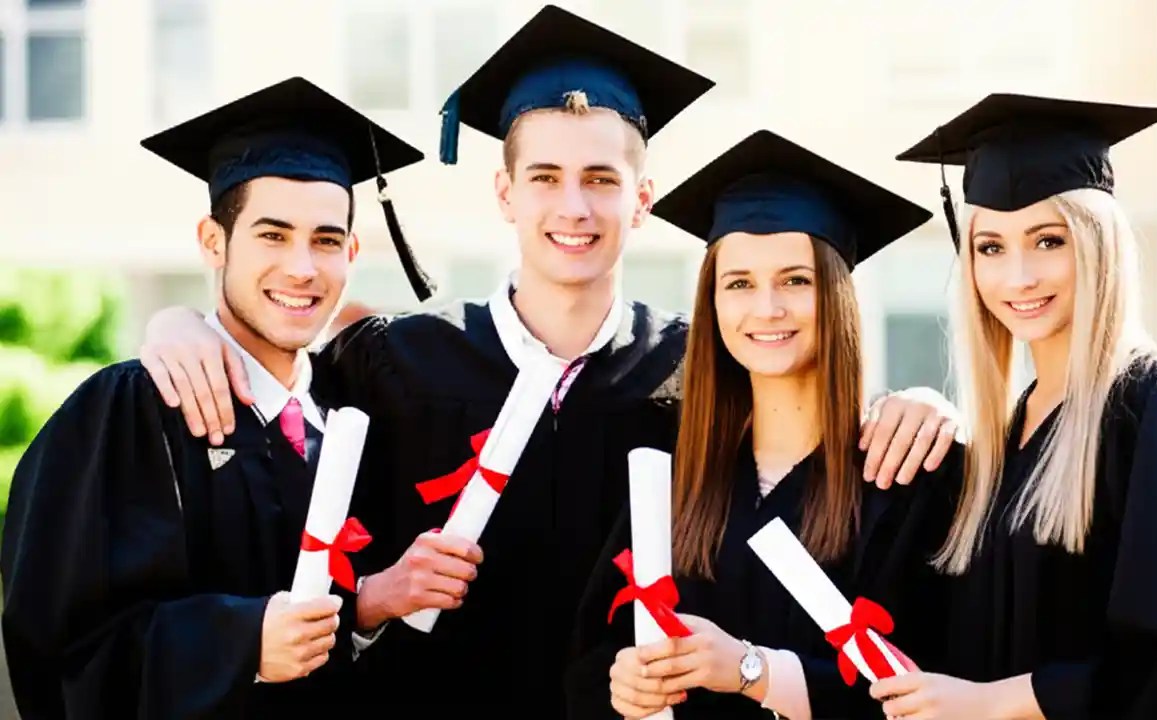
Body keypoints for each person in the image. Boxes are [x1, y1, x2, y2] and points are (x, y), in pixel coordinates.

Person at [137, 7, 959, 713]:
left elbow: (805, 416)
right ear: (506, 194)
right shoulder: (396, 363)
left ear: (641, 201)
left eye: (601, 179)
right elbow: (280, 429)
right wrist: (185, 325)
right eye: (545, 177)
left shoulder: (698, 371)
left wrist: (920, 405)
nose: (574, 206)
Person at [0, 76, 427, 717]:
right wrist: (242, 643)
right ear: (213, 242)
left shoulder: (357, 413)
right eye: (272, 235)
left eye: (326, 240)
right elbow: (65, 650)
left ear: (352, 251)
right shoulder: (130, 413)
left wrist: (364, 608)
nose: (302, 268)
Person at [868, 93, 1157, 719]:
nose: (1019, 277)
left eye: (1048, 240)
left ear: (1097, 245)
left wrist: (989, 703)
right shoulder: (998, 447)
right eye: (990, 247)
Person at [566, 130, 962, 720]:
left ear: (837, 295)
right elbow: (593, 664)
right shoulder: (672, 479)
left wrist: (750, 669)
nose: (767, 308)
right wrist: (621, 684)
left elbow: (943, 689)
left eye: (796, 280)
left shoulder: (905, 475)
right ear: (714, 303)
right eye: (739, 283)